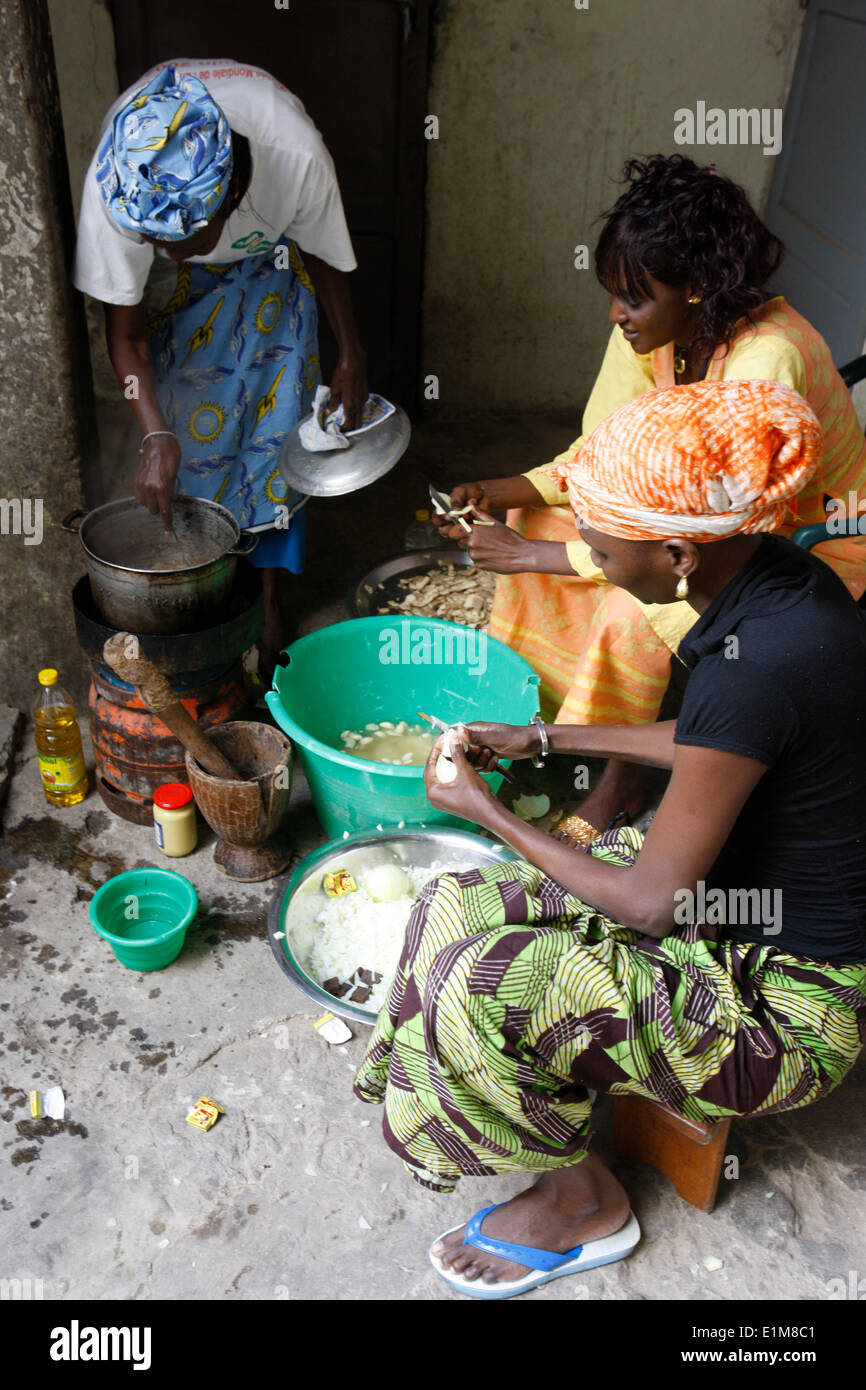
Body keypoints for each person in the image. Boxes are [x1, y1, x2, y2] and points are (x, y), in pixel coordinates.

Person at [355, 379, 866, 1300]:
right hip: (736, 897)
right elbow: (717, 741)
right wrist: (546, 738)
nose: (578, 546)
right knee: (455, 902)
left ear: (674, 552)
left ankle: (587, 1203)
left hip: (791, 1003)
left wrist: (488, 811)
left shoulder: (766, 653)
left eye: (596, 533)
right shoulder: (781, 588)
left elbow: (651, 903)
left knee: (485, 983)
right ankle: (455, 1087)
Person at [437, 156, 866, 830]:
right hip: (686, 524)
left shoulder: (766, 363)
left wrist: (532, 559)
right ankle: (549, 719)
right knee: (538, 514)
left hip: (792, 545)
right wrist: (503, 489)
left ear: (696, 288)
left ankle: (619, 782)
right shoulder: (655, 333)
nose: (616, 314)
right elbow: (606, 456)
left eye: (633, 298)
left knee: (628, 615)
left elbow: (708, 538)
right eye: (614, 294)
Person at [73, 60, 366, 674]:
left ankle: (268, 595)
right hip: (179, 297)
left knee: (278, 433)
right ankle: (214, 581)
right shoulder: (123, 188)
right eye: (157, 243)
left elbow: (327, 253)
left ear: (231, 196)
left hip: (274, 266)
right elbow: (124, 333)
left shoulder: (295, 155)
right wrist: (153, 431)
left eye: (185, 240)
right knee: (190, 436)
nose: (168, 252)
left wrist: (351, 355)